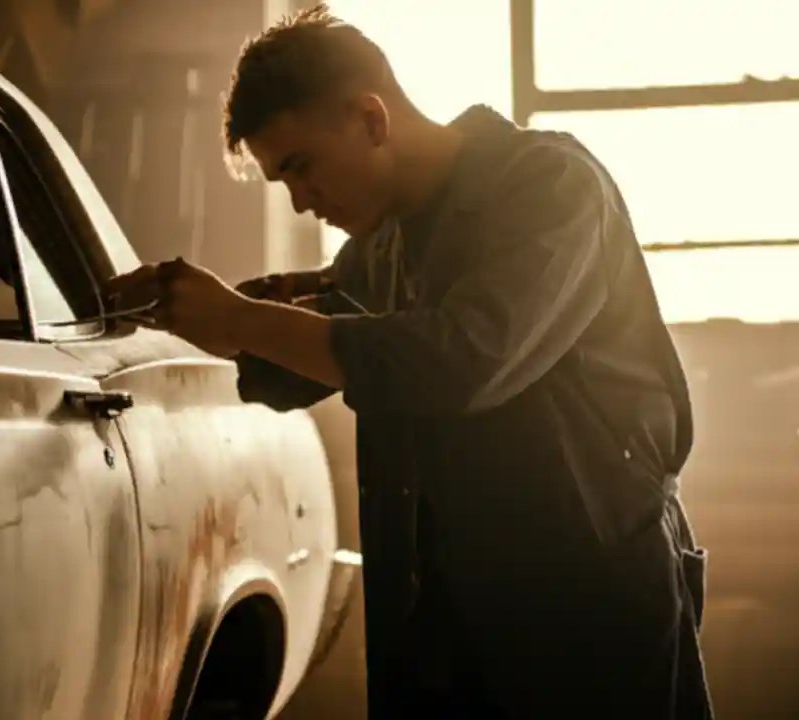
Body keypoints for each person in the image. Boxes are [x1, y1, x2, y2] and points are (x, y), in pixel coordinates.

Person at [106, 5, 712, 718]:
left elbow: (460, 360)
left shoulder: (551, 188)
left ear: (371, 118)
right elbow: (316, 346)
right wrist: (191, 313)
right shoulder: (382, 245)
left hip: (579, 608)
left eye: (301, 167)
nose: (300, 203)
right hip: (443, 620)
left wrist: (240, 319)